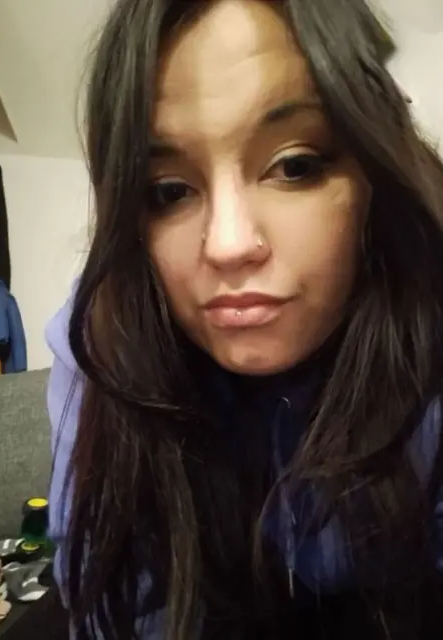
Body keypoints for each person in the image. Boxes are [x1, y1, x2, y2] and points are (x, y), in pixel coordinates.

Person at [46, 0, 443, 638]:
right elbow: (119, 607)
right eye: (168, 192)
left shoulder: (427, 311)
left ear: (375, 173)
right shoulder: (102, 340)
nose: (229, 244)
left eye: (295, 165)